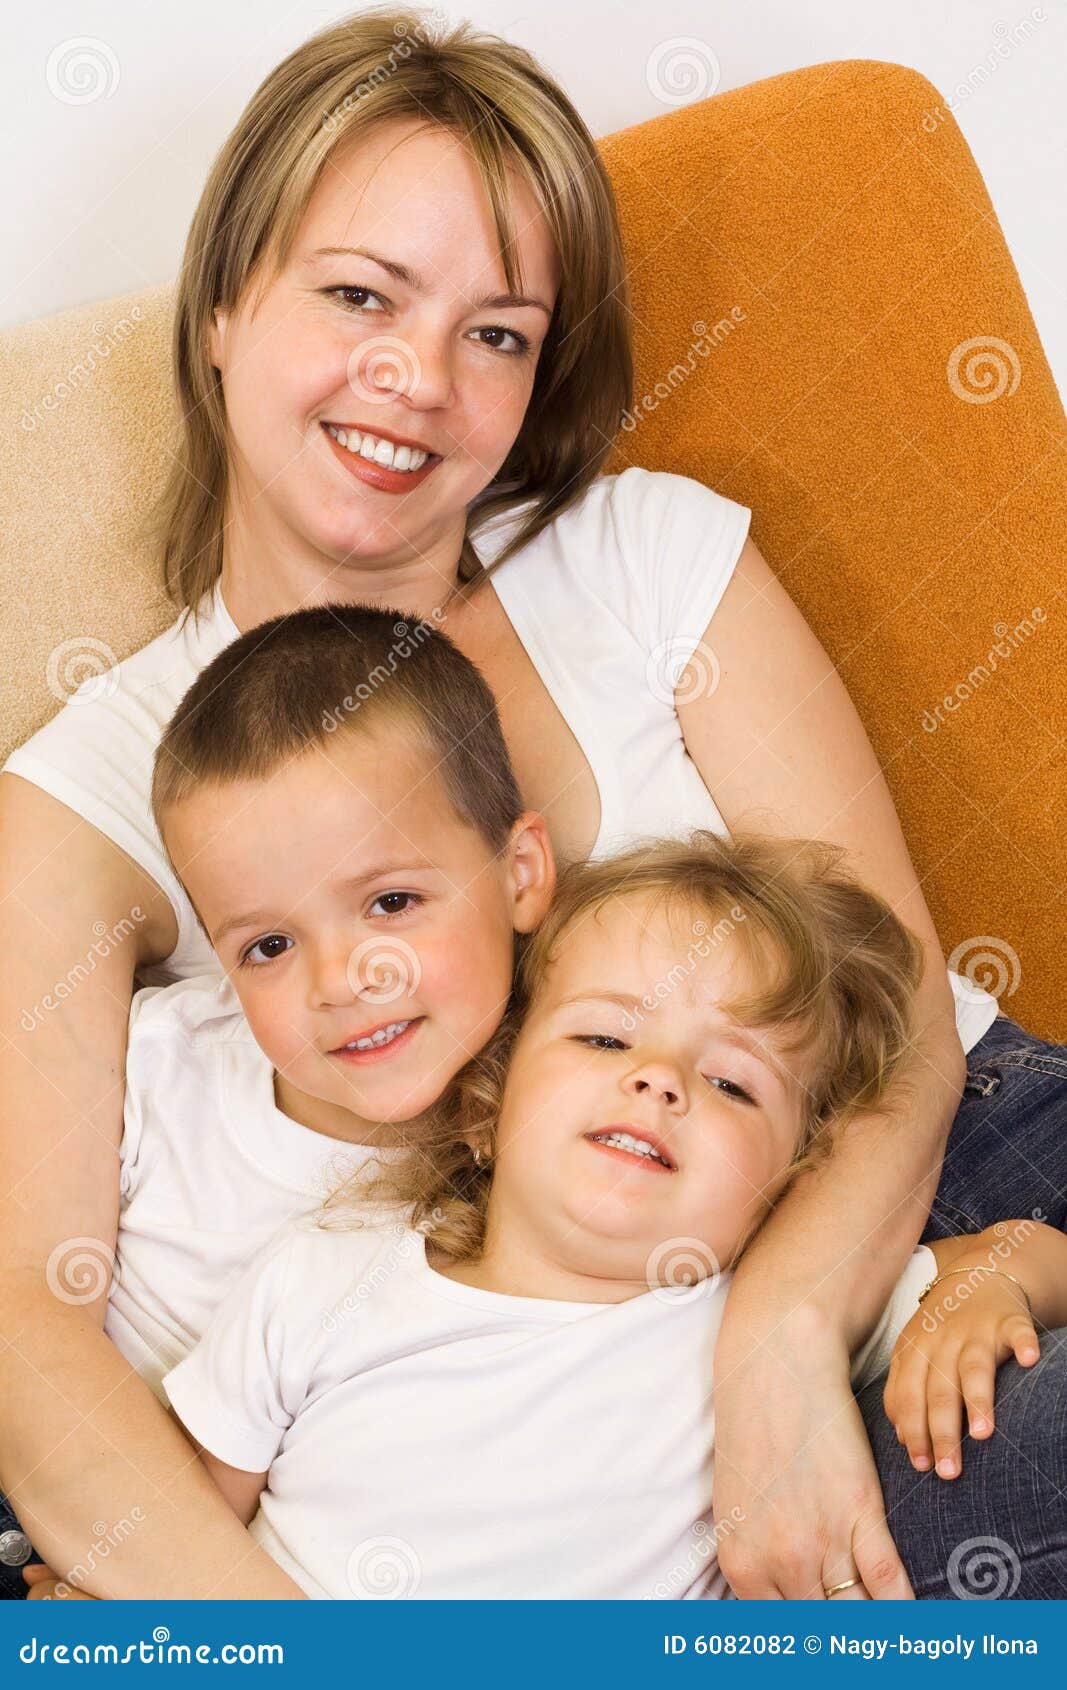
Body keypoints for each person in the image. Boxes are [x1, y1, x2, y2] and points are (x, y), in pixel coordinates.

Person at [2, 5, 1065, 1603]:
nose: (416, 381)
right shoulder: (93, 789)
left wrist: (776, 1337)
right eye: (359, 294)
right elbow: (27, 1314)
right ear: (220, 303)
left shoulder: (642, 554)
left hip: (940, 1175)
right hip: (600, 1431)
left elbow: (899, 1007)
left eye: (494, 334)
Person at [163, 832, 1067, 1600]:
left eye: (732, 1084)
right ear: (487, 1100)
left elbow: (1027, 1256)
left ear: (790, 1182)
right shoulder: (323, 1276)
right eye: (603, 1037)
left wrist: (996, 1288)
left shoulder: (739, 1322)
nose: (658, 1079)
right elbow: (172, 1527)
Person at [0, 600, 555, 1599]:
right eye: (268, 945)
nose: (340, 980)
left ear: (520, 873)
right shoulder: (156, 1068)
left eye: (391, 901)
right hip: (64, 1519)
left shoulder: (569, 1116)